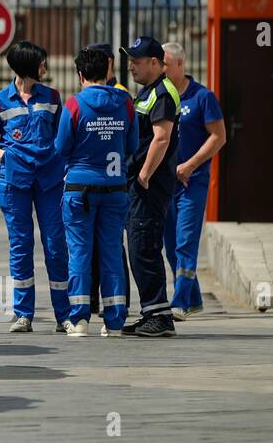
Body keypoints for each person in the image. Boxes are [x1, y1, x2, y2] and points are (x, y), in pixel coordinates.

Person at [0, 41, 69, 333]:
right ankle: (23, 314)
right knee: (20, 246)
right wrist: (6, 156)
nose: (45, 68)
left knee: (55, 246)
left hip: (50, 180)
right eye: (41, 63)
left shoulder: (52, 97)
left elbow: (62, 135)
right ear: (29, 66)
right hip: (14, 182)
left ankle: (64, 314)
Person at [55, 47, 139, 337]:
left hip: (80, 190)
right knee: (112, 253)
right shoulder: (125, 102)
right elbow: (132, 146)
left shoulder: (74, 105)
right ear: (107, 71)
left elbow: (61, 147)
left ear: (80, 75)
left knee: (79, 253)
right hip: (116, 189)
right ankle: (114, 322)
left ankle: (79, 320)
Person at [161, 42, 227, 320]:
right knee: (170, 246)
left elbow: (218, 137)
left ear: (179, 64)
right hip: (166, 184)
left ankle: (180, 301)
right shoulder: (161, 96)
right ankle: (195, 296)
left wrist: (189, 165)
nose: (160, 69)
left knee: (185, 243)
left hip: (192, 183)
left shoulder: (202, 97)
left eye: (163, 64)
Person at [121, 34, 181, 337]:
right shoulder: (149, 91)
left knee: (144, 245)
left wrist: (143, 175)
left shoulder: (163, 93)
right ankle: (151, 312)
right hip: (143, 181)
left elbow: (161, 137)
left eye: (137, 61)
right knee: (138, 245)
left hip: (150, 184)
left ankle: (160, 315)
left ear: (155, 63)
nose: (131, 66)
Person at [82, 41, 131, 315]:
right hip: (98, 181)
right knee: (92, 248)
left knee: (113, 247)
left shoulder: (120, 95)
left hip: (109, 181)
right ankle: (91, 300)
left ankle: (117, 301)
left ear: (108, 62)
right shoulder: (89, 92)